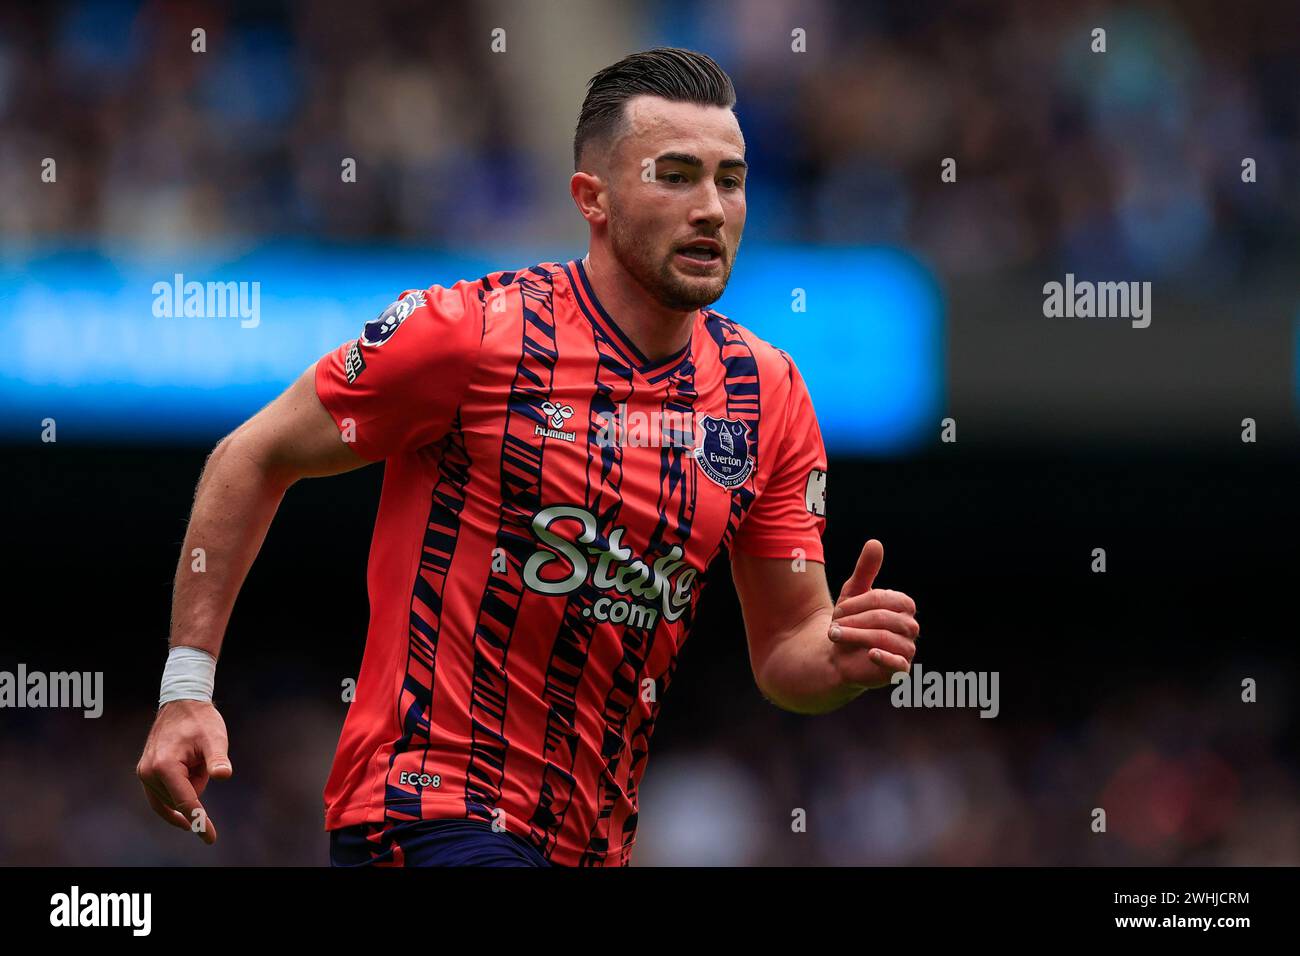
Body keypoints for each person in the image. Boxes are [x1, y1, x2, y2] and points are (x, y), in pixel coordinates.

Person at [136, 47, 920, 867]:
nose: (711, 209)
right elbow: (252, 454)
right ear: (595, 200)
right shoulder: (471, 334)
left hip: (592, 844)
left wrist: (839, 660)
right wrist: (187, 689)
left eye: (730, 179)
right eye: (677, 175)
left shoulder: (768, 394)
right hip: (423, 810)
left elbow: (788, 645)